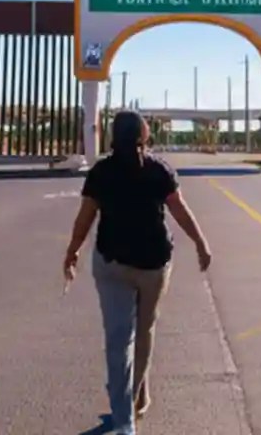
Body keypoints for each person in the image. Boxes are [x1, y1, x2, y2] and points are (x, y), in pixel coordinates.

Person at [63, 110, 212, 435]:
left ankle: (126, 413)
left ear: (113, 136)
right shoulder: (158, 170)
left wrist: (73, 250)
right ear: (144, 136)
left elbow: (85, 217)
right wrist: (200, 242)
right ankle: (128, 408)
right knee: (142, 333)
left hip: (113, 263)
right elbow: (179, 210)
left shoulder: (102, 172)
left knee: (119, 341)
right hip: (153, 265)